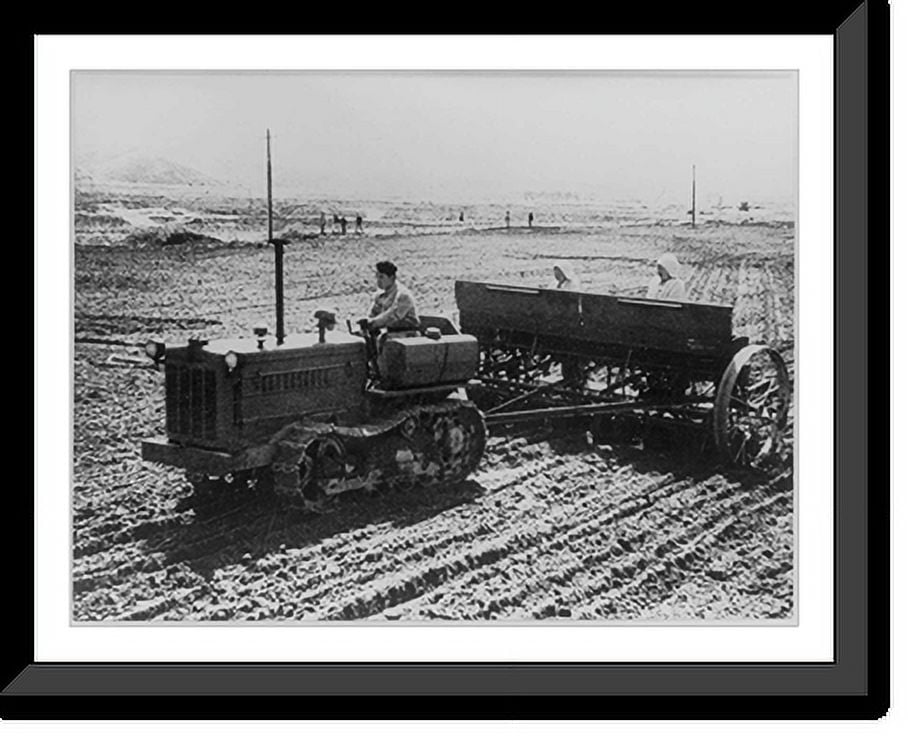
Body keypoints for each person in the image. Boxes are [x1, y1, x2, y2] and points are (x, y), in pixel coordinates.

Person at [366, 261, 420, 332]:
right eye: (377, 276)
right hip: (387, 332)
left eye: (381, 277)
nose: (378, 280)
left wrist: (371, 323)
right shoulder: (379, 295)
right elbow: (372, 314)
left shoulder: (403, 296)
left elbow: (392, 317)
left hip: (406, 335)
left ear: (392, 277)